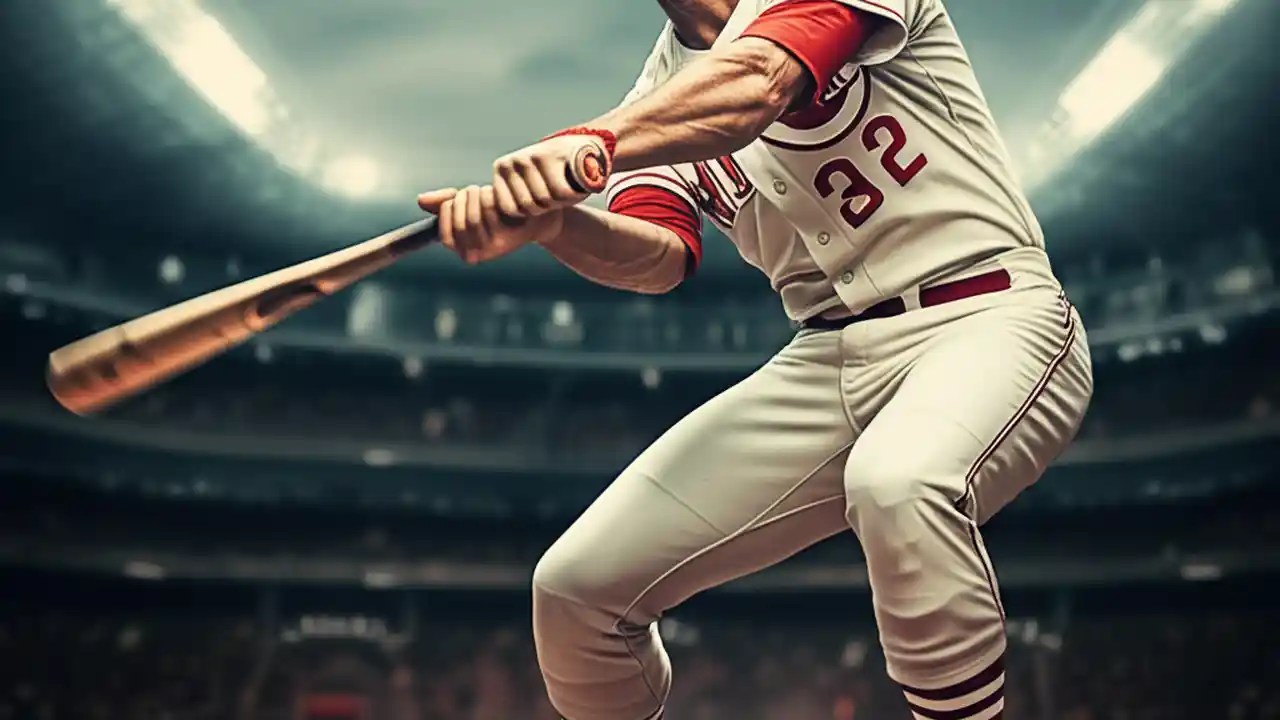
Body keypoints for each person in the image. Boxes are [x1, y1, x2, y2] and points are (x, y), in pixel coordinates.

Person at [417, 0, 1094, 718]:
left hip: (987, 313)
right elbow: (660, 259)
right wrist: (556, 224)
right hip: (825, 356)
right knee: (574, 589)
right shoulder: (657, 98)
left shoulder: (673, 101)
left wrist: (591, 144)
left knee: (899, 482)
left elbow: (761, 79)